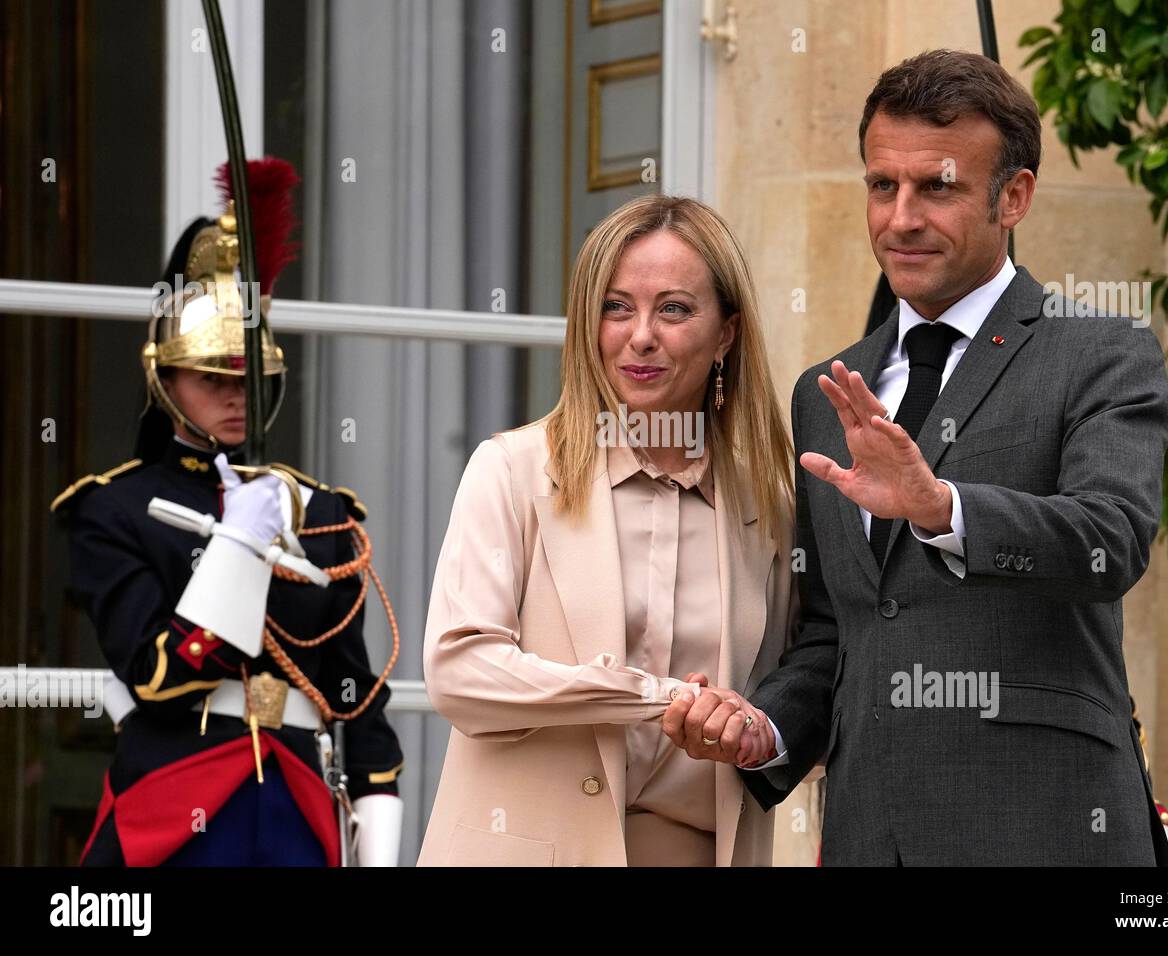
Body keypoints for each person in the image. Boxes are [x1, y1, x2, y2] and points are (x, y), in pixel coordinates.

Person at [664, 49, 1168, 866]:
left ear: (1015, 196)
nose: (900, 217)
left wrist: (943, 509)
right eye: (881, 185)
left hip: (1047, 830)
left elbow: (1108, 541)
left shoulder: (1101, 352)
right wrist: (760, 729)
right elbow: (838, 627)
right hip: (872, 834)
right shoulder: (827, 392)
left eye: (936, 186)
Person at [417, 195, 796, 866]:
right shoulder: (513, 470)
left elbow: (796, 701)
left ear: (727, 334)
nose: (640, 335)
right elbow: (459, 672)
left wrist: (750, 730)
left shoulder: (768, 505)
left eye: (674, 309)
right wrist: (653, 697)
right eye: (616, 307)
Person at [52, 159, 404, 866]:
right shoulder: (114, 508)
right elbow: (157, 676)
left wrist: (377, 845)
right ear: (165, 377)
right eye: (213, 378)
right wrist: (237, 548)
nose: (236, 395)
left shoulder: (323, 512)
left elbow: (356, 701)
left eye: (250, 378)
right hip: (177, 806)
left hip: (300, 801)